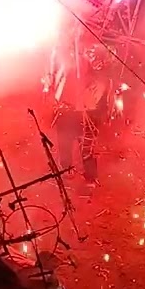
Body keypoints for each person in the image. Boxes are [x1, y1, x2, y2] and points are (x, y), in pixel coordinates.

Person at [54, 45, 111, 187]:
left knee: (87, 147)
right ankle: (66, 171)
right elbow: (60, 89)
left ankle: (90, 178)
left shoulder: (103, 79)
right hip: (68, 112)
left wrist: (100, 116)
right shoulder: (70, 69)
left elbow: (103, 101)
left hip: (88, 115)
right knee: (65, 142)